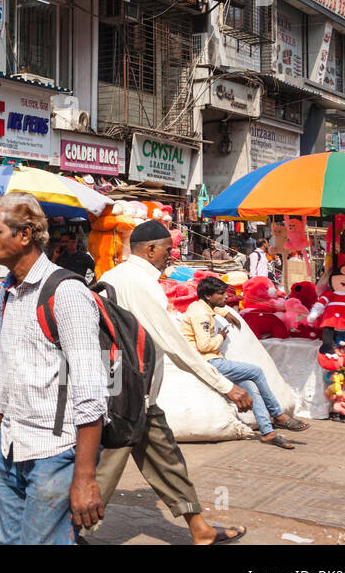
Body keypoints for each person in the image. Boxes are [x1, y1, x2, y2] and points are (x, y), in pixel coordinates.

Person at [95, 220, 252, 545]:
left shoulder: (111, 276)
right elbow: (175, 343)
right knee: (107, 466)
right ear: (150, 249)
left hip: (126, 388)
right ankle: (69, 531)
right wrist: (225, 385)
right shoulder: (141, 283)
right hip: (131, 393)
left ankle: (200, 529)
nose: (172, 254)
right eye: (168, 249)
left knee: (166, 458)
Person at [0, 194, 106, 545]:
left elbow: (91, 392)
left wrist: (85, 476)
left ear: (26, 235)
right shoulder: (9, 291)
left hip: (54, 451)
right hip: (10, 449)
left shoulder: (67, 293)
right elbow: (0, 372)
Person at [182, 277, 309, 449]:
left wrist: (224, 312)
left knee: (250, 385)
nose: (225, 297)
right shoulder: (202, 314)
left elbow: (209, 310)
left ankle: (267, 432)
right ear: (208, 296)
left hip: (213, 358)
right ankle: (277, 414)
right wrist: (221, 336)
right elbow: (204, 346)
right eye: (221, 294)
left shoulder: (200, 307)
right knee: (256, 371)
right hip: (208, 361)